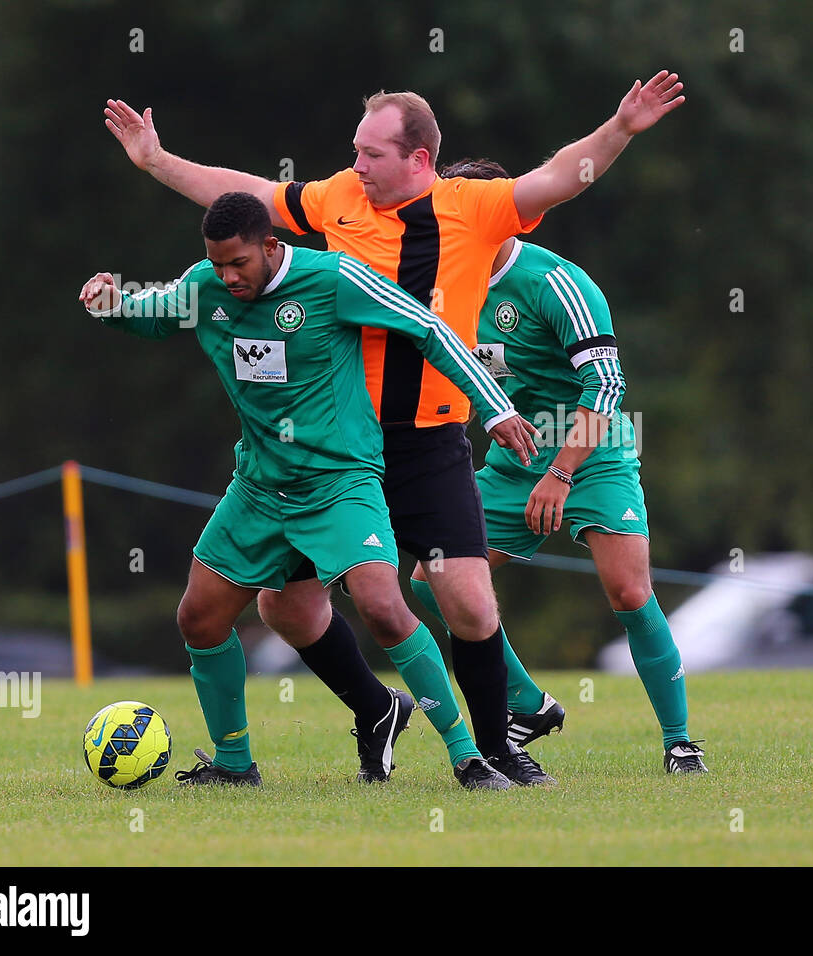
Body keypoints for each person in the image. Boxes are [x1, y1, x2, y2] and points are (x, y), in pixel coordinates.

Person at [102, 72, 684, 783]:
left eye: (370, 154)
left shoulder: (473, 206)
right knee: (283, 605)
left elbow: (559, 176)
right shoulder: (337, 198)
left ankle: (499, 750)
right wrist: (157, 160)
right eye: (354, 150)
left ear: (418, 159)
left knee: (465, 600)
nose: (355, 165)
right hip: (339, 444)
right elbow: (249, 196)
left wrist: (619, 128)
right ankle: (372, 712)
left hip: (427, 441)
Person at [78, 192, 538, 790]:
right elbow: (153, 314)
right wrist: (112, 304)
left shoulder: (334, 277)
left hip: (340, 480)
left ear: (273, 246)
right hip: (261, 487)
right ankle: (235, 765)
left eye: (239, 262)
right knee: (199, 619)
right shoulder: (208, 286)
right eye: (217, 265)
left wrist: (494, 405)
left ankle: (467, 756)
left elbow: (427, 327)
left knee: (381, 605)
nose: (228, 277)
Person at [404, 158, 706, 773]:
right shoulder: (442, 283)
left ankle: (679, 742)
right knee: (428, 583)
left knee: (628, 590)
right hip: (511, 461)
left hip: (590, 454)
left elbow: (608, 386)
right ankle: (528, 703)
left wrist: (561, 472)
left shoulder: (555, 282)